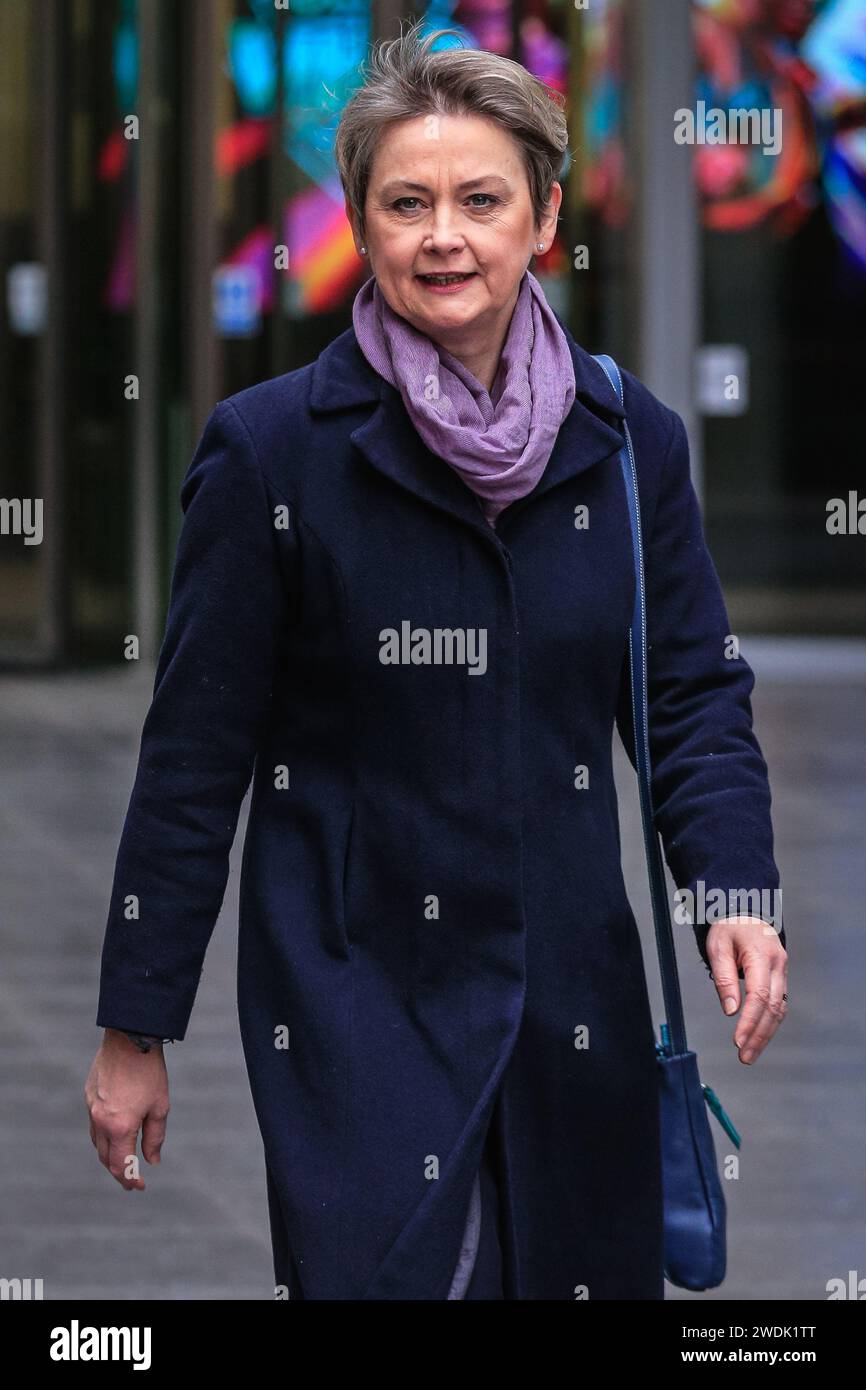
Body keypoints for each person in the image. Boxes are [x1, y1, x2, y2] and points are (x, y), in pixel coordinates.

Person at [86, 21, 788, 1301]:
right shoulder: (271, 454)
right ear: (358, 220)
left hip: (572, 1004)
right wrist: (135, 1026)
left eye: (480, 199)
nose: (442, 236)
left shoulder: (630, 443)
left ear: (544, 216)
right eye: (405, 203)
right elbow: (192, 757)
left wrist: (731, 887)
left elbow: (688, 692)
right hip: (358, 1005)